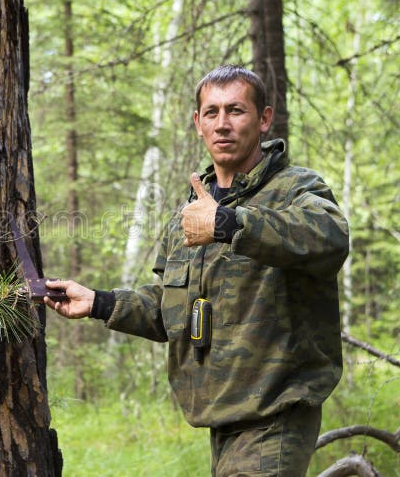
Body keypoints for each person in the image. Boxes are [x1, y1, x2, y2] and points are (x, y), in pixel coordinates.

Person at [44, 65, 349, 476]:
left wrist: (229, 223)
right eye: (211, 112)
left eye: (236, 110)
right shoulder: (191, 213)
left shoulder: (295, 189)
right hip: (221, 417)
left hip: (276, 413)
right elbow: (171, 310)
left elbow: (330, 236)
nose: (222, 124)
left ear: (263, 119)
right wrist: (99, 302)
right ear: (197, 123)